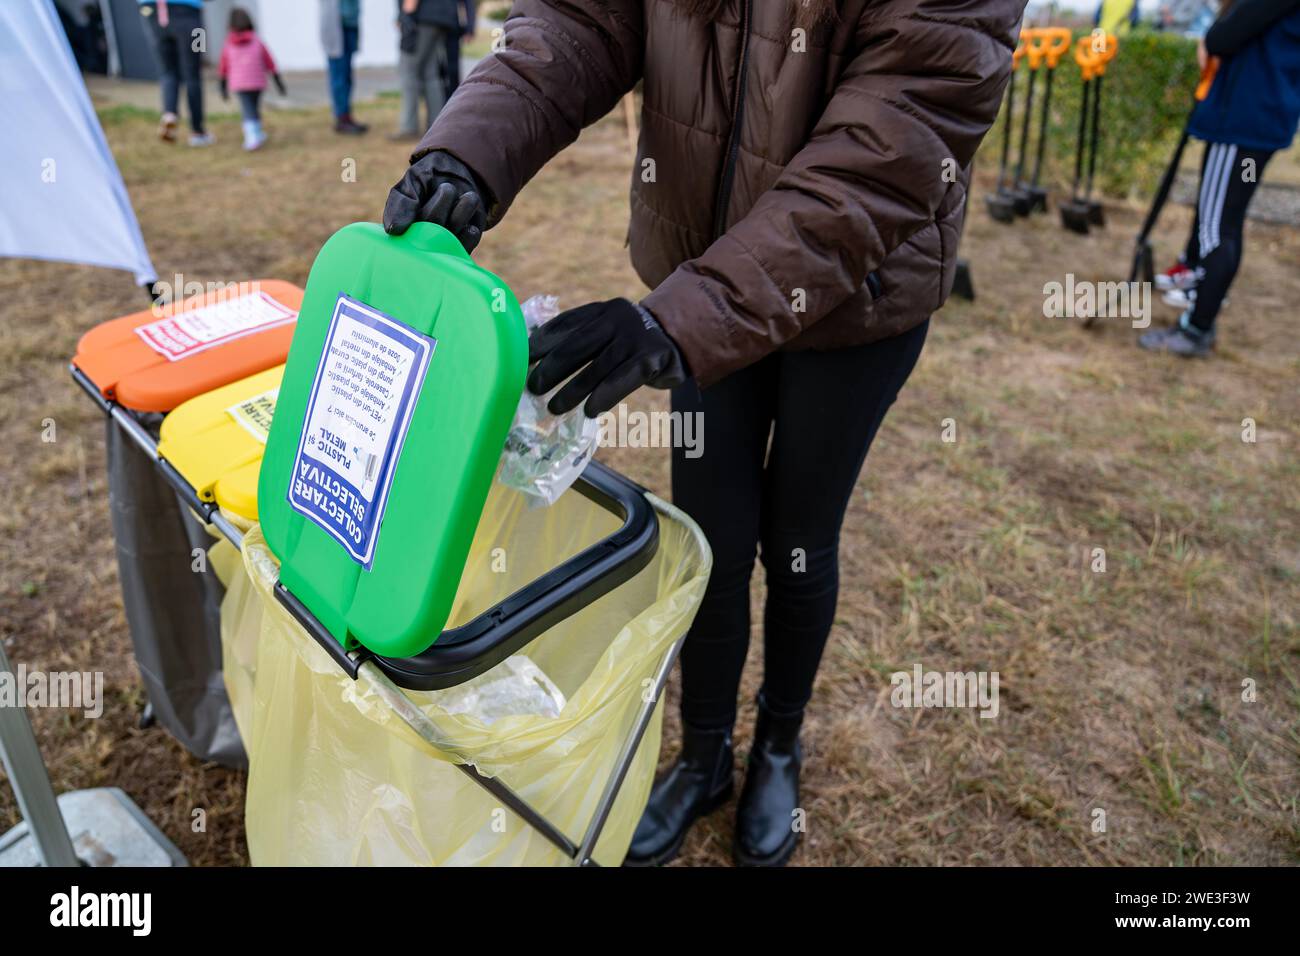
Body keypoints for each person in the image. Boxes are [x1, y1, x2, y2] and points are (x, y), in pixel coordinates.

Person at [384, 0, 1025, 867]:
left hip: (853, 297)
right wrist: (470, 146)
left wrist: (680, 322)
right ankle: (704, 754)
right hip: (698, 267)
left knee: (798, 535)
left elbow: (885, 156)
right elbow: (582, 20)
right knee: (707, 532)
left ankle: (779, 748)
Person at [1141, 0, 1300, 357]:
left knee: (1218, 228)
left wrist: (1210, 39)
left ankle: (1197, 329)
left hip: (1243, 118)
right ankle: (1199, 315)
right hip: (1257, 116)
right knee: (1224, 221)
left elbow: (1228, 35)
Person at [137, 0, 212, 146]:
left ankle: (169, 115)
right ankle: (198, 132)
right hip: (189, 12)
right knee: (193, 73)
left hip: (151, 11)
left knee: (167, 70)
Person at [218, 7, 286, 152]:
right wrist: (278, 82)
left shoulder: (228, 44)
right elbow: (270, 62)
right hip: (257, 83)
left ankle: (252, 137)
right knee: (253, 108)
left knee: (247, 110)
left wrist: (222, 87)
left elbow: (223, 67)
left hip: (240, 84)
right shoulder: (257, 41)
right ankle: (257, 133)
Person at [392, 0, 450, 140]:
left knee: (408, 72)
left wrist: (405, 13)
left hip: (419, 19)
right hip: (438, 20)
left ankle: (409, 128)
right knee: (431, 75)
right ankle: (436, 127)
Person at [321, 0, 368, 134]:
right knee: (339, 76)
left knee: (347, 76)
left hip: (350, 26)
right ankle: (342, 118)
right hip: (336, 28)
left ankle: (346, 116)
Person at [442, 0, 475, 99]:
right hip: (430, 26)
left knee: (452, 68)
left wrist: (469, 28)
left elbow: (468, 4)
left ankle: (452, 99)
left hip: (451, 27)